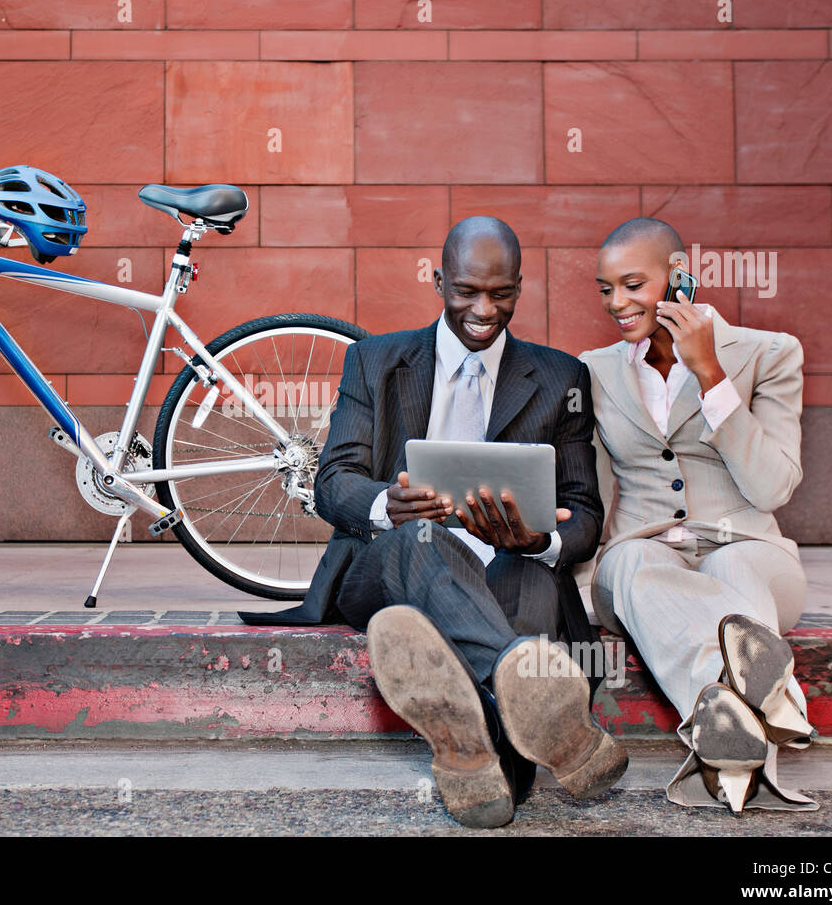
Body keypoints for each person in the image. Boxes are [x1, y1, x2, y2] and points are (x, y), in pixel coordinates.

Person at [241, 216, 627, 828]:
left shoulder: (559, 379)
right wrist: (384, 505)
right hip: (394, 563)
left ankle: (476, 758)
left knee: (529, 571)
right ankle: (535, 704)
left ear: (520, 288)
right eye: (467, 291)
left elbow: (584, 513)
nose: (484, 309)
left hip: (503, 567)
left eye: (501, 294)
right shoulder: (376, 361)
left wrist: (541, 540)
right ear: (438, 280)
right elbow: (333, 481)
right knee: (421, 535)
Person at [580, 217, 818, 813]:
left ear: (680, 273)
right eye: (606, 289)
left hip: (751, 548)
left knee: (736, 566)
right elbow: (592, 491)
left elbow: (772, 487)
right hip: (643, 555)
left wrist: (710, 372)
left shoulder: (769, 354)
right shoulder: (594, 371)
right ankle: (769, 697)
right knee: (632, 557)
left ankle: (729, 731)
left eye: (634, 284)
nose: (618, 303)